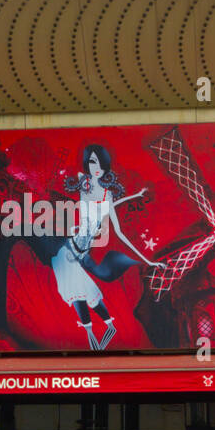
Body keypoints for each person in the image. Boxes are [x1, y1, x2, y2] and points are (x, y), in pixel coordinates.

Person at [49, 144, 163, 349]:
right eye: (92, 162)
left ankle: (99, 333)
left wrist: (148, 260)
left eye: (100, 163)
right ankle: (97, 333)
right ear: (87, 164)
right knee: (78, 290)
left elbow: (119, 231)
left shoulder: (107, 196)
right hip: (70, 248)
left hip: (78, 253)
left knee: (80, 290)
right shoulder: (84, 183)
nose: (97, 167)